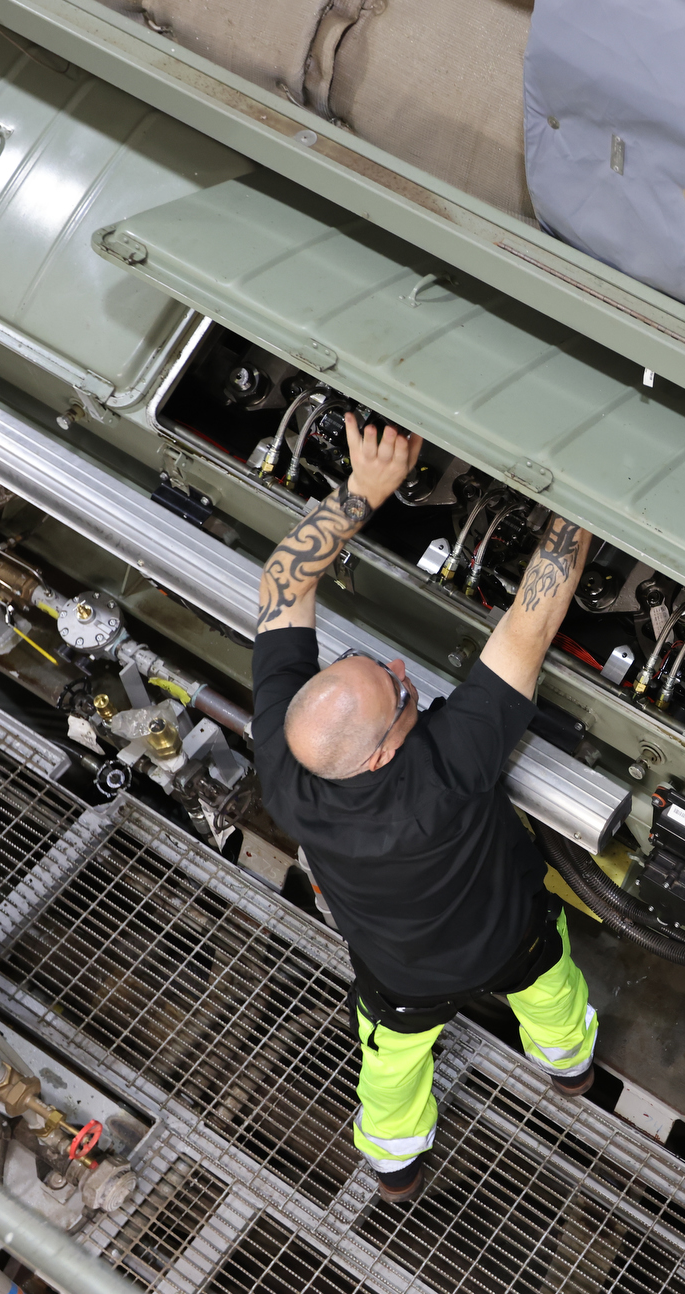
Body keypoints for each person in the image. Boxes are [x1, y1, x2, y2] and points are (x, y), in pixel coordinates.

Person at [250, 412, 598, 1203]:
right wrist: (577, 509)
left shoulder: (288, 755)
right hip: (513, 940)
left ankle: (394, 1161)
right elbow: (531, 623)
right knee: (554, 1000)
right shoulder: (451, 763)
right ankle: (568, 1066)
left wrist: (361, 489)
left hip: (398, 977)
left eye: (371, 663)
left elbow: (281, 584)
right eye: (402, 690)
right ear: (378, 752)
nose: (402, 669)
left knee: (391, 1066)